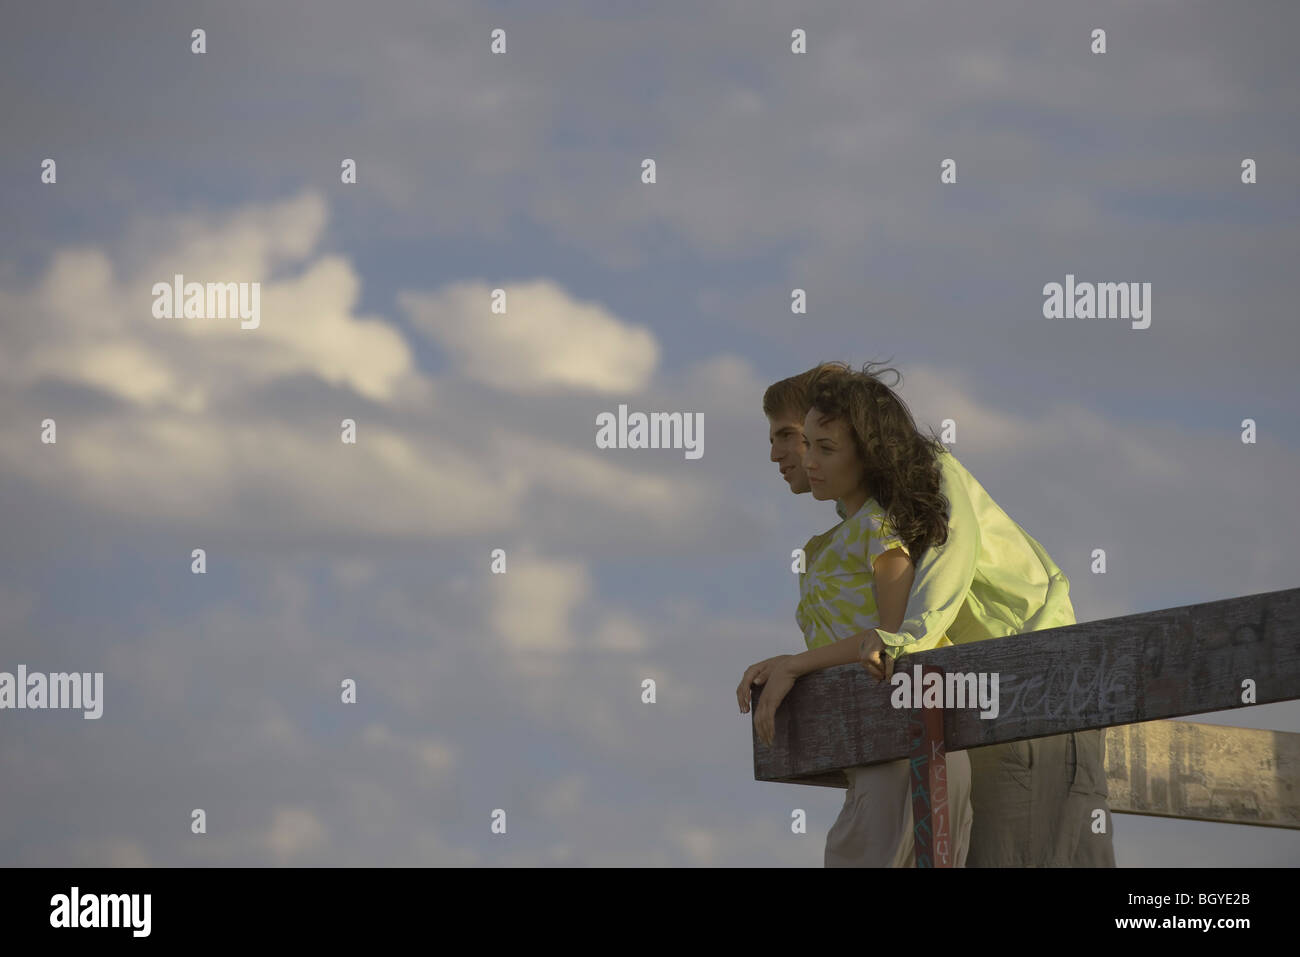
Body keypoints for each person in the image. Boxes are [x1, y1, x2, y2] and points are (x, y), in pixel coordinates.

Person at [738, 361, 1115, 867]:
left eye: (798, 436)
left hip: (1032, 693)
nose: (786, 452)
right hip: (973, 704)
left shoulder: (930, 475)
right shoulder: (872, 519)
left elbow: (947, 568)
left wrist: (900, 641)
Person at [739, 362, 973, 866]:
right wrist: (791, 661)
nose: (803, 457)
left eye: (820, 446)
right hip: (882, 748)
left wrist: (795, 666)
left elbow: (889, 637)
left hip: (909, 749)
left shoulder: (879, 529)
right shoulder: (838, 538)